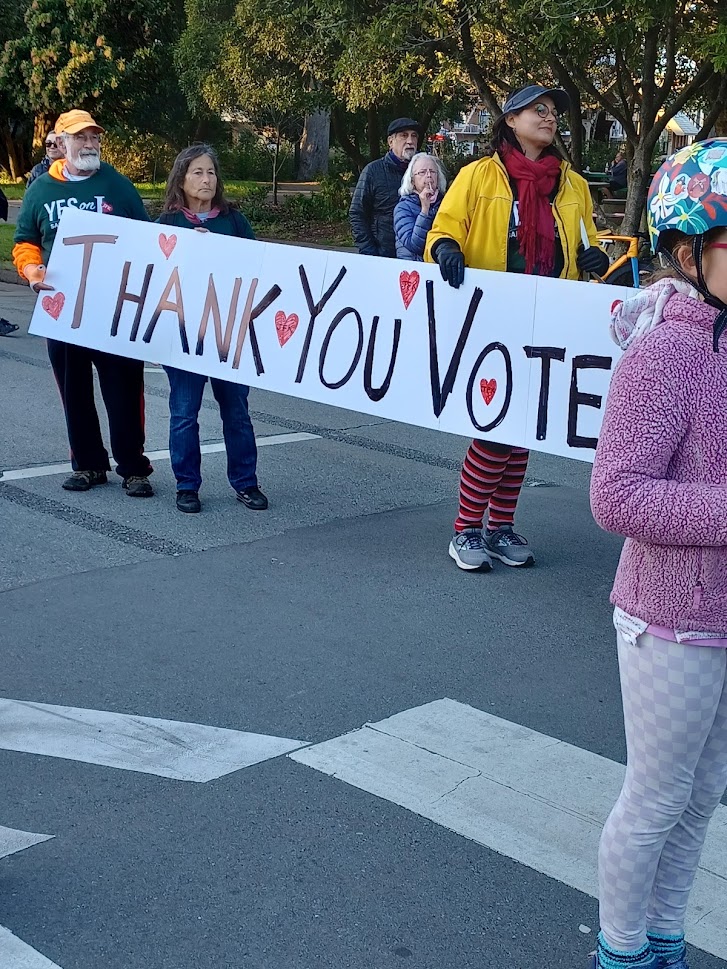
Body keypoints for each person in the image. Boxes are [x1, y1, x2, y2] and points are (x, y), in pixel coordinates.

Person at [588, 138, 727, 969]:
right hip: (668, 616)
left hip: (721, 614)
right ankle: (622, 952)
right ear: (687, 254)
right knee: (655, 798)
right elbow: (616, 495)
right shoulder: (666, 352)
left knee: (702, 793)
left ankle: (665, 941)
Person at [424, 83, 608, 572]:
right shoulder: (478, 175)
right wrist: (446, 249)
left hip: (551, 321)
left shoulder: (573, 184)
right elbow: (443, 229)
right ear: (510, 119)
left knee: (524, 429)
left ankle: (501, 526)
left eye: (553, 112)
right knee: (494, 428)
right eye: (537, 110)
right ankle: (466, 528)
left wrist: (595, 259)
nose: (549, 117)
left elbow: (586, 243)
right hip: (493, 318)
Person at [13, 109, 155, 497]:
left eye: (94, 137)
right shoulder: (41, 189)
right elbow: (25, 240)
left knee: (124, 390)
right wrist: (32, 270)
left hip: (114, 309)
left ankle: (134, 468)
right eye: (80, 137)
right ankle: (88, 464)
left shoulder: (117, 185)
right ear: (61, 143)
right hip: (62, 310)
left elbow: (146, 237)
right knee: (73, 390)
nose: (90, 144)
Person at [157, 144, 267, 515]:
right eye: (198, 172)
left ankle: (246, 482)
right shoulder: (167, 225)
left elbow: (256, 266)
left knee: (236, 412)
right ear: (181, 180)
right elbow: (154, 277)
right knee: (184, 413)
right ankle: (187, 485)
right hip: (184, 335)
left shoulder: (233, 222)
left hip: (227, 334)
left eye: (211, 172)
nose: (206, 180)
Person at [349, 118, 421, 257]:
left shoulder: (426, 171)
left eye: (414, 136)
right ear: (390, 142)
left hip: (418, 257)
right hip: (383, 254)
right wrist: (369, 251)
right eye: (404, 135)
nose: (410, 141)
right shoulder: (373, 171)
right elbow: (357, 213)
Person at [394, 152, 447, 260]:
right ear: (412, 180)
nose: (429, 175)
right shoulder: (403, 207)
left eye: (432, 171)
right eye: (422, 172)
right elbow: (415, 246)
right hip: (413, 267)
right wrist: (425, 210)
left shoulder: (446, 203)